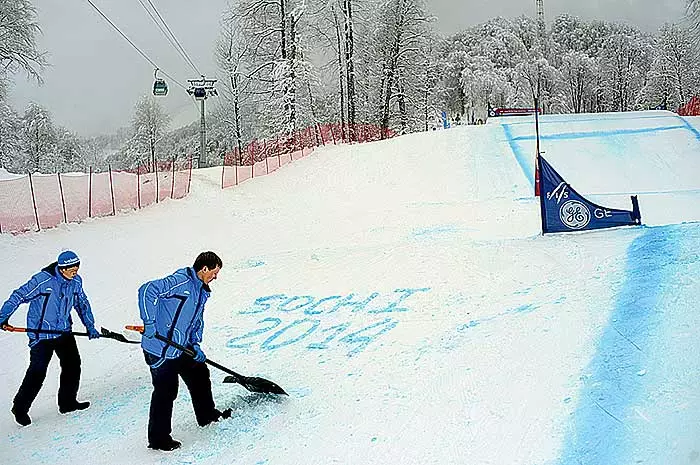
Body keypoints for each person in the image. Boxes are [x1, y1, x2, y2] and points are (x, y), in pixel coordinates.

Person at [139, 251, 231, 452]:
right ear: (204, 268)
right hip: (160, 348)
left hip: (181, 346)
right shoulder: (180, 282)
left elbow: (196, 319)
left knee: (199, 372)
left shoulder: (201, 290)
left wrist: (195, 344)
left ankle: (206, 415)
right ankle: (158, 439)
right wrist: (149, 322)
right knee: (166, 391)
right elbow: (146, 290)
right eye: (214, 272)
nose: (215, 277)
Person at [0, 250, 100, 427]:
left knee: (72, 365)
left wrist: (90, 326)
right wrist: (3, 317)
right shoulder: (42, 281)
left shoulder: (76, 282)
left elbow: (82, 304)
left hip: (63, 331)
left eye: (77, 266)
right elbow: (18, 296)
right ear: (61, 269)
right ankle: (20, 408)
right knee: (37, 372)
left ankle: (67, 403)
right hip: (41, 334)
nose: (74, 270)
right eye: (70, 268)